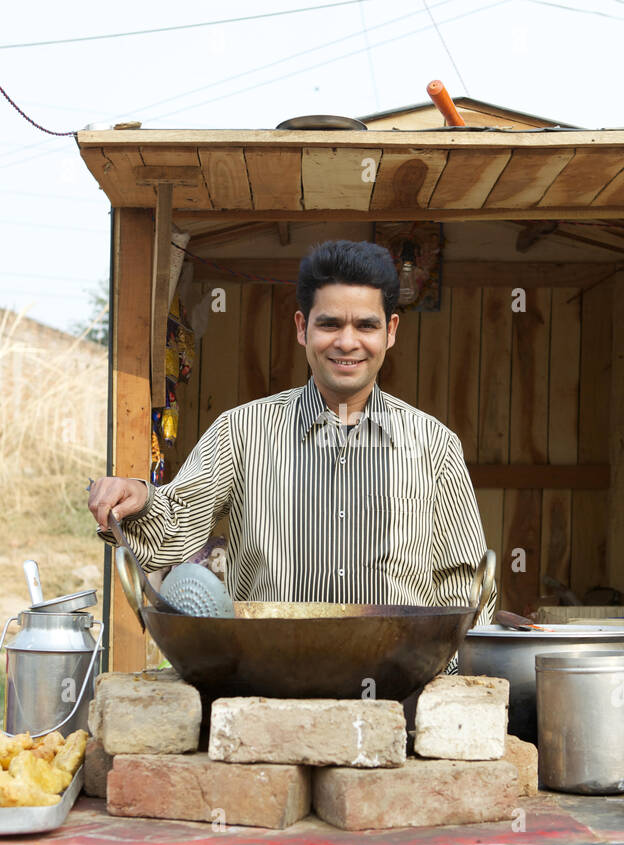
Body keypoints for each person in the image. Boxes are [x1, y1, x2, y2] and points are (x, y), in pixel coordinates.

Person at [88, 239, 496, 663]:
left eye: (366, 326)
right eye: (330, 324)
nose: (348, 342)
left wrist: (450, 683)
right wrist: (136, 498)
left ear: (390, 332)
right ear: (302, 327)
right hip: (266, 685)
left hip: (397, 689)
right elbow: (175, 527)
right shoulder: (242, 431)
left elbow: (465, 586)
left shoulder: (434, 443)